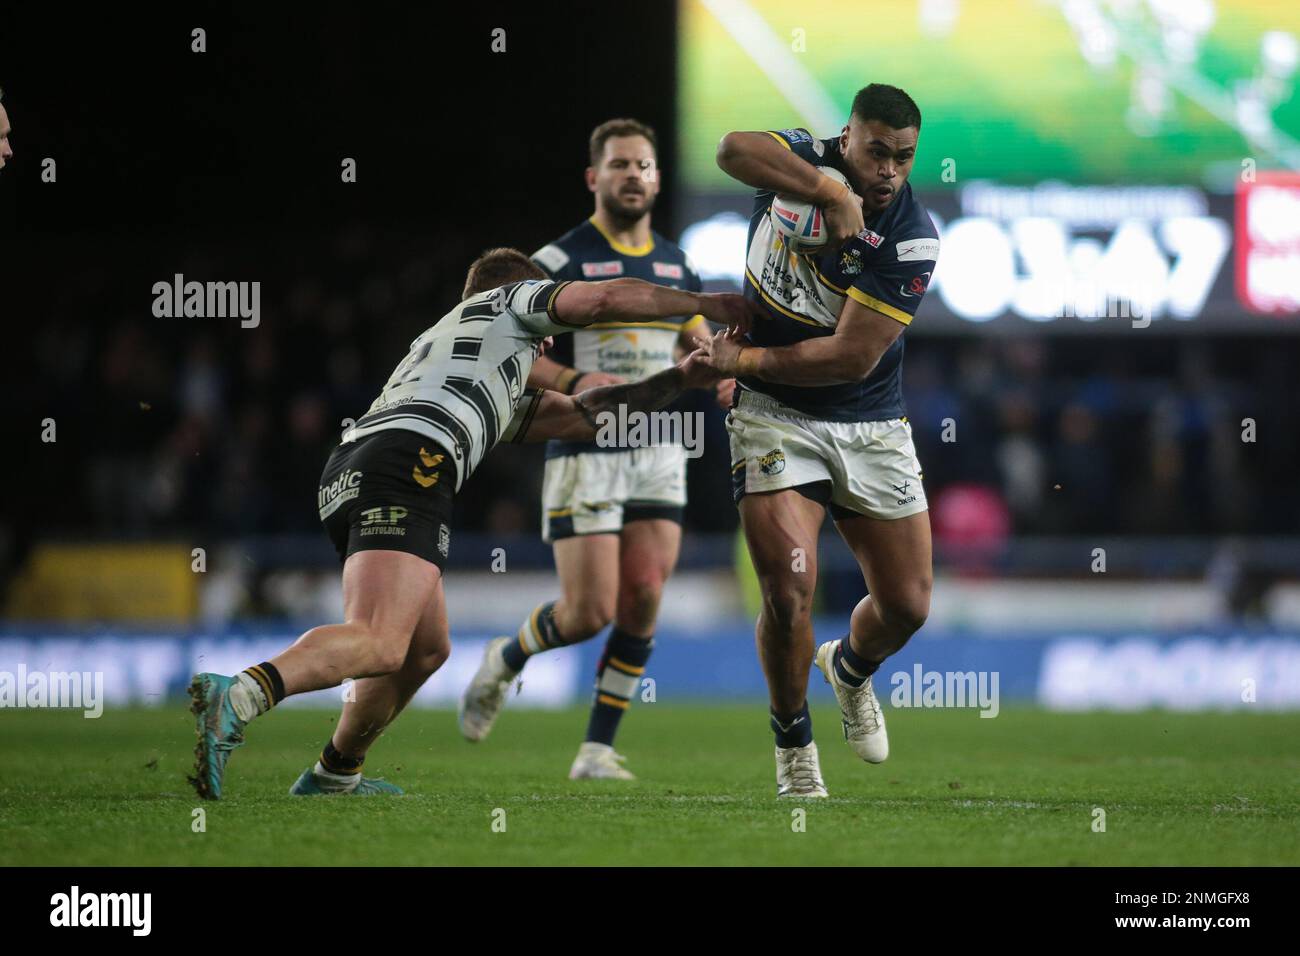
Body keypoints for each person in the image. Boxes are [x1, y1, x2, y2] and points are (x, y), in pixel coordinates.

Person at [187, 247, 754, 799]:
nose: (551, 341)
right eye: (548, 325)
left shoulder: (467, 358)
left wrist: (681, 377)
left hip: (357, 466)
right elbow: (603, 298)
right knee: (383, 642)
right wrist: (704, 304)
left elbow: (586, 417)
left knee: (425, 649)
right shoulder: (509, 302)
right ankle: (240, 695)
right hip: (413, 462)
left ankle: (337, 770)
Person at [458, 119, 732, 780]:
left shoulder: (676, 262)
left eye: (643, 164)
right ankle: (508, 657)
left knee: (643, 595)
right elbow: (510, 350)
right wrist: (577, 381)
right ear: (594, 178)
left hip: (657, 441)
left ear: (658, 178)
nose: (633, 175)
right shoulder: (558, 260)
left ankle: (597, 749)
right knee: (588, 612)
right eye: (619, 165)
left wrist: (722, 367)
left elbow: (696, 339)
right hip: (586, 441)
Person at [700, 84, 939, 797]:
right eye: (876, 152)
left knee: (908, 606)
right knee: (789, 591)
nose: (889, 169)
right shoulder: (799, 156)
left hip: (868, 419)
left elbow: (848, 358)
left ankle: (851, 669)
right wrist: (828, 194)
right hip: (773, 414)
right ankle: (793, 747)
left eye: (904, 157)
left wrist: (736, 362)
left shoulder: (910, 235)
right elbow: (731, 149)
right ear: (847, 136)